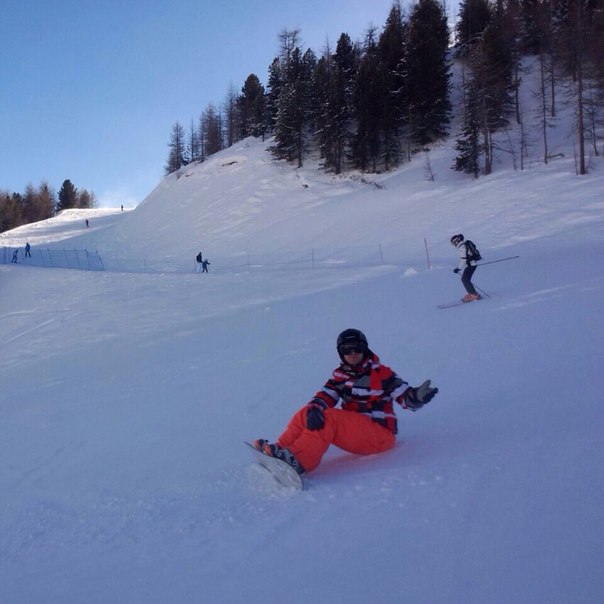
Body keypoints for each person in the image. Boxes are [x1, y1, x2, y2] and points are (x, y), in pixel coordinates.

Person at [253, 328, 438, 475]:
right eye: (346, 350)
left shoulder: (381, 373)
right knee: (308, 411)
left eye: (357, 348)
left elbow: (405, 397)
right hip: (356, 432)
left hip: (380, 436)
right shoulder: (341, 376)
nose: (352, 353)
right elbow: (325, 395)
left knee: (329, 417)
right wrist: (315, 408)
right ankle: (279, 449)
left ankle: (298, 461)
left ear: (365, 349)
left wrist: (417, 397)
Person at [451, 233, 480, 303]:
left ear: (456, 241)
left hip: (470, 265)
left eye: (454, 243)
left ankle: (473, 295)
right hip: (471, 265)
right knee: (465, 279)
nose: (454, 245)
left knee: (465, 279)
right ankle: (472, 293)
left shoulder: (461, 247)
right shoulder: (463, 245)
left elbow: (463, 259)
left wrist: (458, 268)